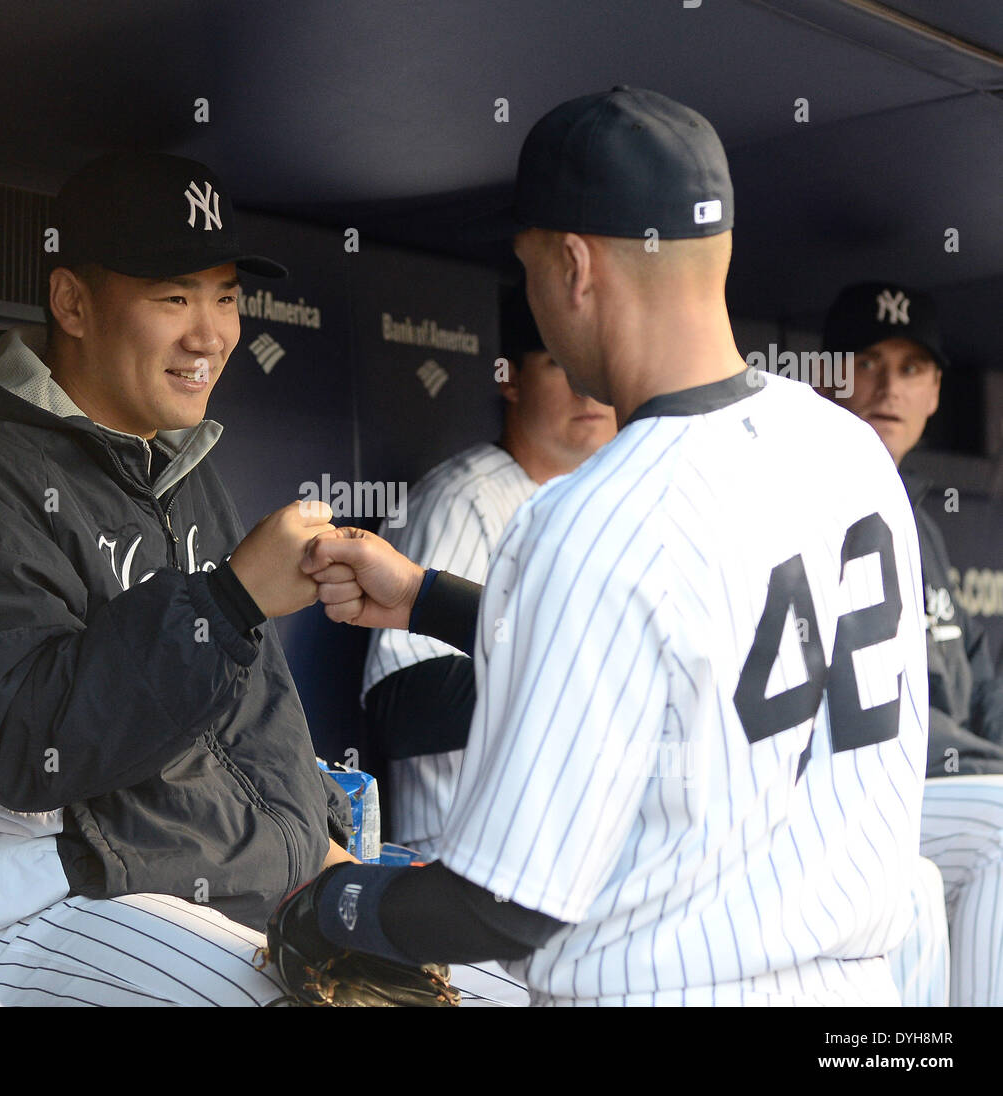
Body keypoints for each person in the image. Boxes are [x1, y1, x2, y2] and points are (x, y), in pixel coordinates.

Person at [273, 87, 930, 1006]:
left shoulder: (599, 512)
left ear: (576, 267)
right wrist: (432, 599)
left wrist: (329, 904)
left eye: (534, 268)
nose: (537, 298)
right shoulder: (845, 448)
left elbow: (506, 906)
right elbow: (708, 657)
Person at [0, 150, 366, 1007]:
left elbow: (252, 713)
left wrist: (322, 853)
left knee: (493, 986)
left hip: (161, 887)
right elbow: (32, 747)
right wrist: (228, 601)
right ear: (72, 302)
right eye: (174, 296)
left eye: (225, 295)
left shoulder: (184, 467)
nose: (211, 333)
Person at [363, 285, 615, 860]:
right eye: (560, 362)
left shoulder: (604, 503)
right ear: (511, 377)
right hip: (461, 848)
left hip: (564, 851)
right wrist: (580, 669)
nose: (587, 387)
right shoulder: (465, 500)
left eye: (595, 363)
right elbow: (402, 705)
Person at [823, 281, 1003, 1005]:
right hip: (850, 792)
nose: (887, 387)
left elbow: (980, 682)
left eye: (911, 368)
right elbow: (875, 709)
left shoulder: (919, 520)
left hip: (934, 791)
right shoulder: (808, 496)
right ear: (828, 376)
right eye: (866, 360)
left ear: (934, 393)